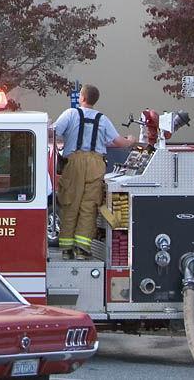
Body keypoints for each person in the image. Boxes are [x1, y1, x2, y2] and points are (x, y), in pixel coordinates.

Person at [52, 84, 135, 260]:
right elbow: (118, 142)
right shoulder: (102, 119)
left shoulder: (70, 114)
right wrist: (130, 141)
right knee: (89, 206)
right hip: (96, 164)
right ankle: (82, 249)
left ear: (82, 98)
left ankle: (66, 249)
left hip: (73, 163)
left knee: (70, 204)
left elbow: (53, 132)